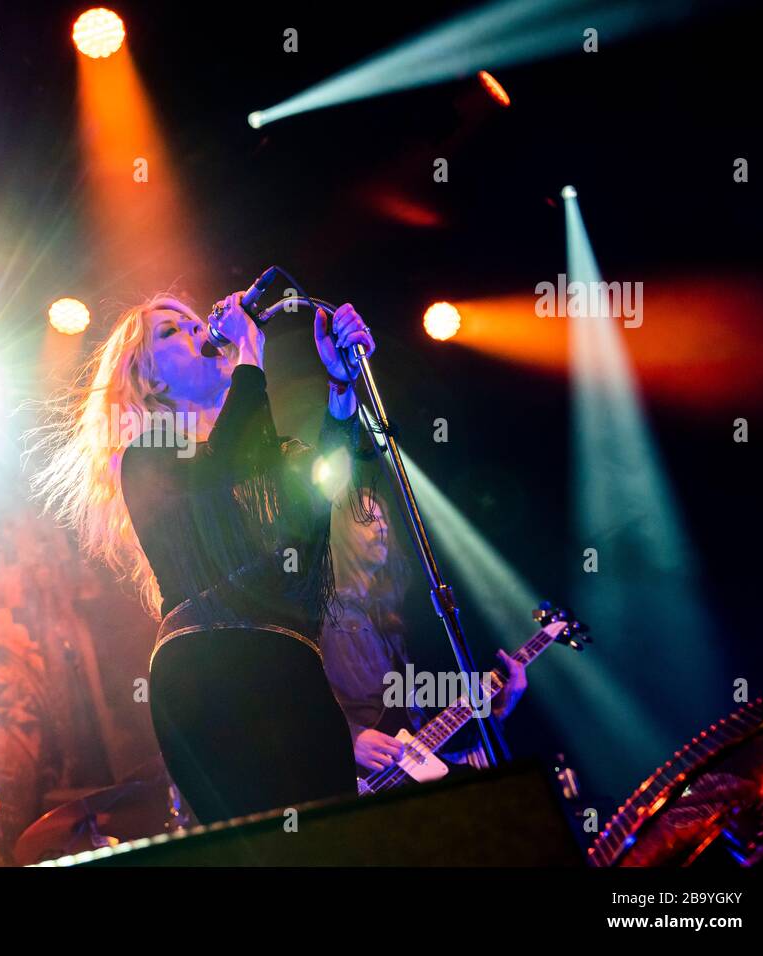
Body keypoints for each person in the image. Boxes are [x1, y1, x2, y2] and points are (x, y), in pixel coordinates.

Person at [30, 288, 376, 823]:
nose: (196, 331)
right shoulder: (146, 456)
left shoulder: (267, 454)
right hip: (210, 669)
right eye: (171, 332)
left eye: (194, 323)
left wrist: (340, 386)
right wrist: (248, 359)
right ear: (151, 381)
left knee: (333, 834)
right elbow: (218, 472)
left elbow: (322, 498)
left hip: (294, 666)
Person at [322, 492, 528, 777]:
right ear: (339, 534)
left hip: (403, 775)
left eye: (382, 519)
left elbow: (418, 732)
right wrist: (350, 738)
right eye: (367, 520)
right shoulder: (324, 615)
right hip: (355, 779)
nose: (380, 527)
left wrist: (497, 712)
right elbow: (297, 701)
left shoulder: (386, 621)